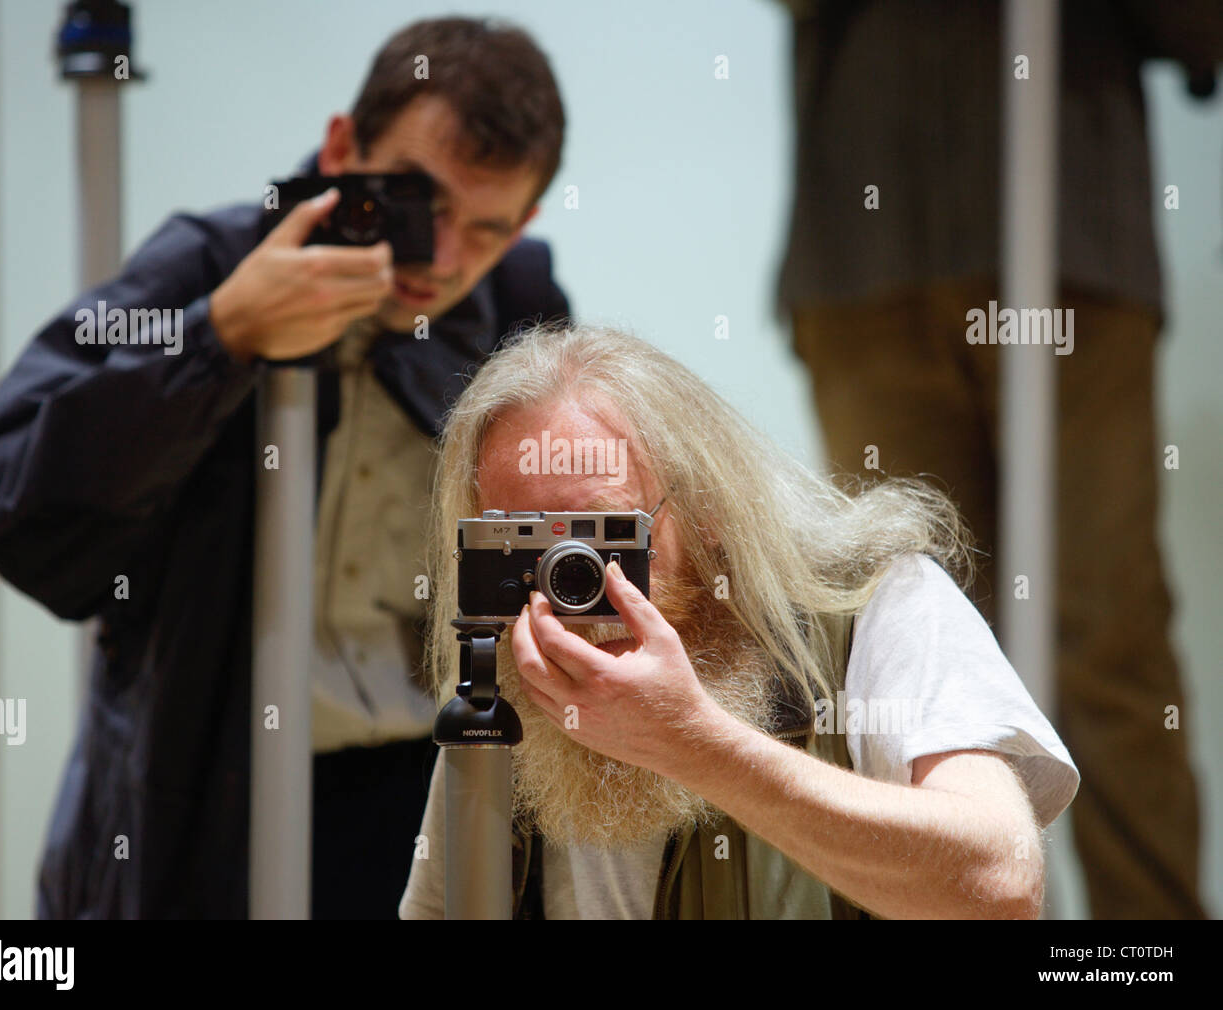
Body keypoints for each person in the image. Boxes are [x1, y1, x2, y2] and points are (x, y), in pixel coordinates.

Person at [0, 16, 569, 919]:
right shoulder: (212, 260)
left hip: (434, 786)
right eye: (419, 203)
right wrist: (221, 335)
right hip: (209, 798)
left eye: (485, 228)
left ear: (526, 225)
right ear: (340, 146)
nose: (441, 259)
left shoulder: (515, 301)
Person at [777, 0, 1220, 919]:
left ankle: (1144, 954)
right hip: (867, 255)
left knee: (1104, 635)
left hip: (1075, 252)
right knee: (895, 645)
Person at [398, 323, 1079, 919]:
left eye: (599, 535)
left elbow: (999, 886)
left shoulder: (875, 606)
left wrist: (696, 744)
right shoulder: (506, 672)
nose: (564, 585)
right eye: (521, 542)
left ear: (707, 510)